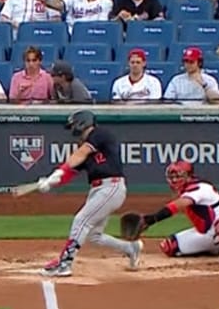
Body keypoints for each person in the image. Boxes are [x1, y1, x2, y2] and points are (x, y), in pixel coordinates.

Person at [20, 110, 142, 277]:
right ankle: (130, 248)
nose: (72, 130)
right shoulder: (86, 147)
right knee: (93, 236)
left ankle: (65, 263)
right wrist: (50, 181)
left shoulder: (99, 134)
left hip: (111, 187)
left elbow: (79, 154)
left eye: (73, 126)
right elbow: (71, 172)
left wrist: (58, 171)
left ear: (82, 123)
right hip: (98, 190)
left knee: (81, 221)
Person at [134, 162, 219, 263]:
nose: (175, 180)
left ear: (189, 176)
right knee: (169, 246)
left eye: (178, 176)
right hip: (208, 232)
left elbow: (177, 206)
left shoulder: (201, 188)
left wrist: (151, 219)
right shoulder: (185, 191)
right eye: (172, 177)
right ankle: (214, 249)